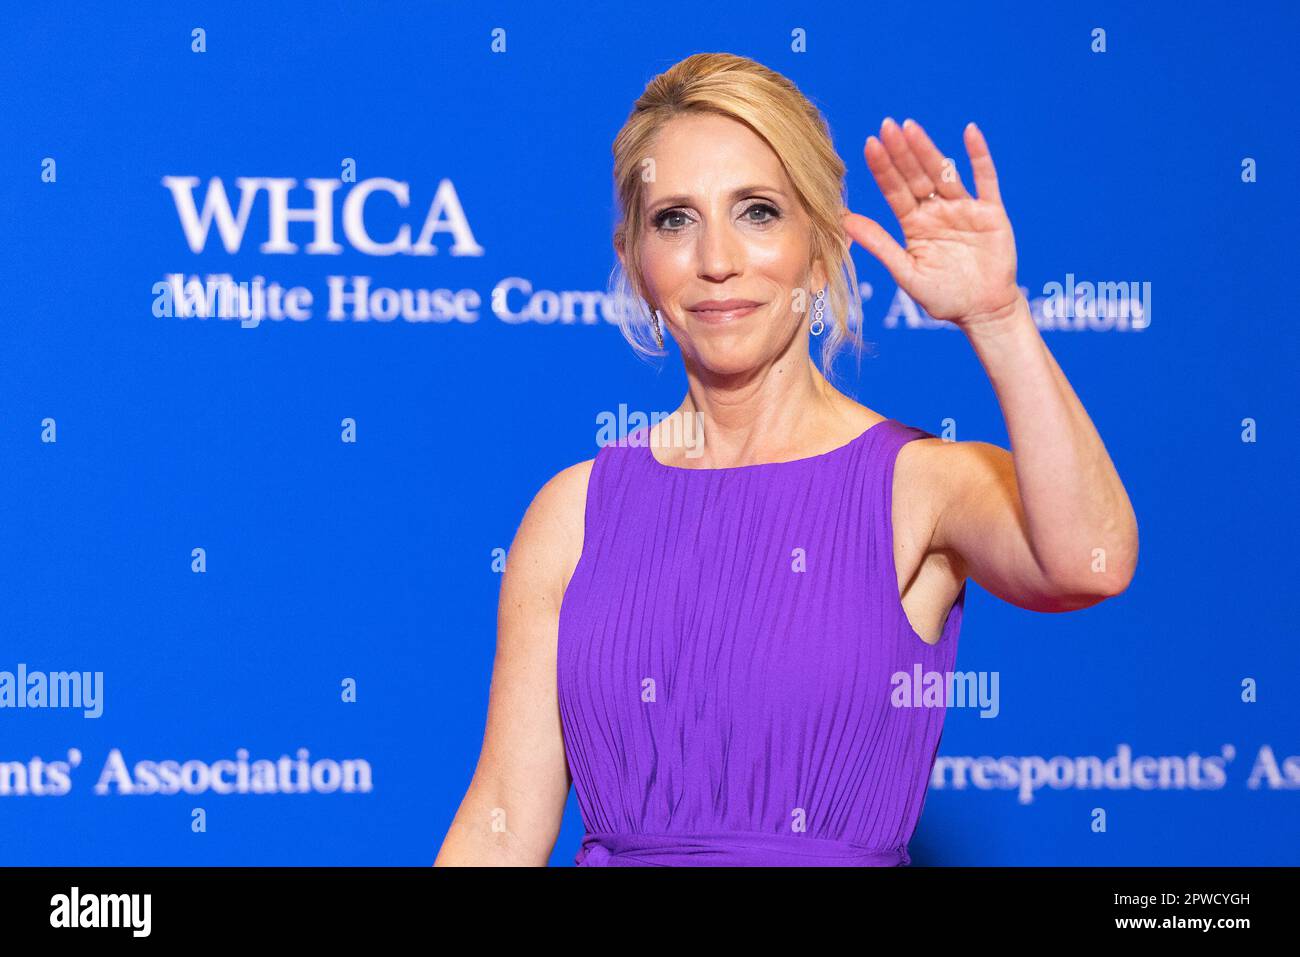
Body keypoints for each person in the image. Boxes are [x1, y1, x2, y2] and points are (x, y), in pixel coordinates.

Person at [435, 52, 1137, 866]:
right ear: (634, 258)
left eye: (758, 211)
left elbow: (1093, 562)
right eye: (675, 220)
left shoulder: (920, 484)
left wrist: (998, 317)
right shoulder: (573, 512)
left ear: (821, 238)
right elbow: (503, 813)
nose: (716, 260)